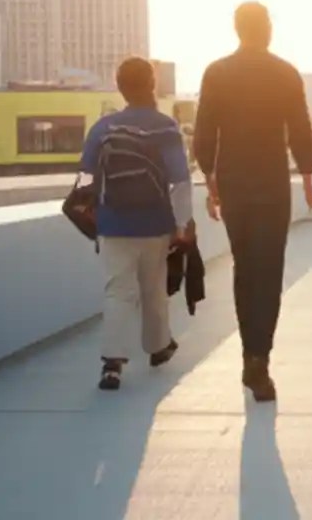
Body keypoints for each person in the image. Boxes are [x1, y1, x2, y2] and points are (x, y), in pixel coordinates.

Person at [193, 1, 312, 403]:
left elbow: (204, 134)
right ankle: (259, 358)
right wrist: (309, 176)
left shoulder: (216, 72)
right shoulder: (285, 73)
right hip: (271, 182)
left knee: (244, 267)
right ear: (267, 29)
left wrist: (211, 183)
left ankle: (250, 352)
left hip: (233, 182)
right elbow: (300, 129)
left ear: (236, 28)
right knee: (269, 269)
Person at [81, 57, 194, 391]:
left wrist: (90, 211)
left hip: (113, 222)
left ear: (120, 87)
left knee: (118, 291)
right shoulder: (164, 126)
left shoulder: (103, 128)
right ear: (152, 84)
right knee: (153, 288)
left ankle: (112, 365)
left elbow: (86, 175)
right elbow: (180, 180)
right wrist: (184, 223)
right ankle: (158, 348)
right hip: (155, 222)